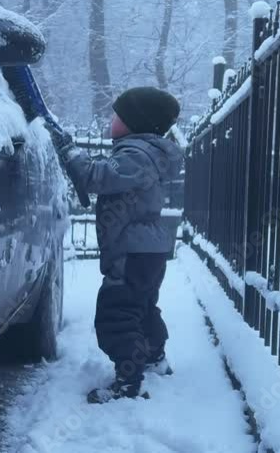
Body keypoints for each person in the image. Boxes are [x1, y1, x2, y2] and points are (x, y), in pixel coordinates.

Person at [50, 86, 183, 404]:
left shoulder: (137, 155)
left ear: (137, 122)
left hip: (132, 253)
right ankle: (154, 357)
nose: (112, 120)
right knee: (142, 308)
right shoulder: (143, 152)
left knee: (116, 315)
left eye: (118, 115)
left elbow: (97, 177)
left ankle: (129, 382)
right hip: (146, 252)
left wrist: (70, 153)